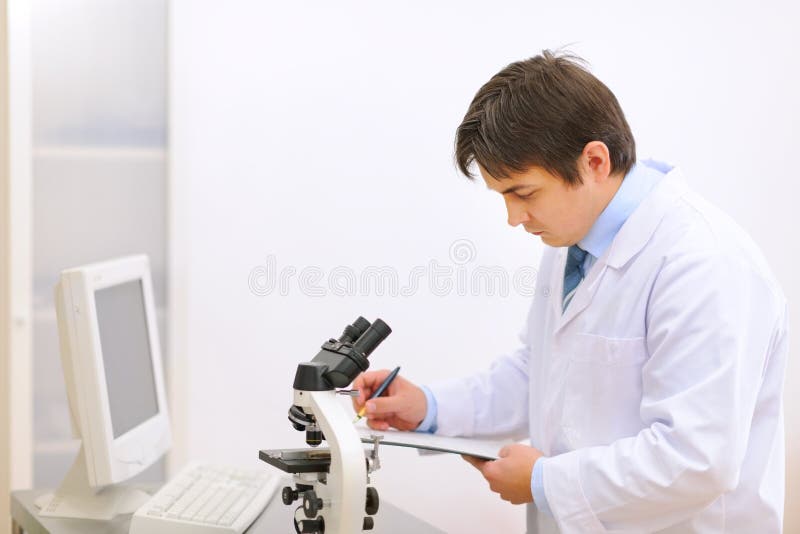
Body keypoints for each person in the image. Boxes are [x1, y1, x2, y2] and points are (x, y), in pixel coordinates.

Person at [353, 50, 788, 533]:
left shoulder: (705, 264)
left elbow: (697, 459)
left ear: (594, 161)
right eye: (504, 198)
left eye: (523, 194)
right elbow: (541, 372)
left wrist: (544, 481)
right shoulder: (572, 239)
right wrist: (430, 408)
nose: (513, 218)